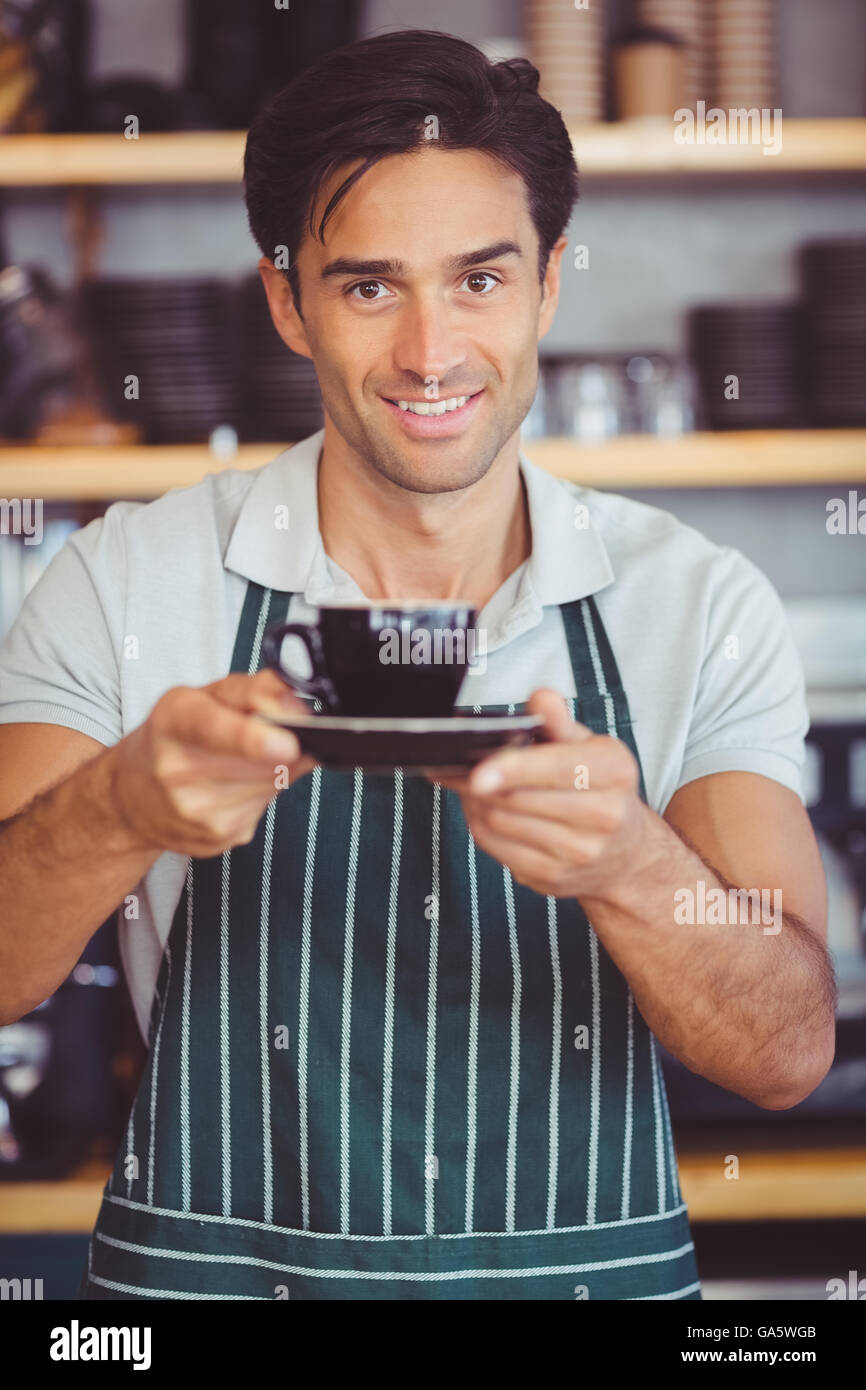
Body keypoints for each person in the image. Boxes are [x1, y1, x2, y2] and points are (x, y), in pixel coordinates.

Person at [0, 29, 835, 1301]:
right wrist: (119, 808)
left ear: (550, 283)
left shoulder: (692, 603)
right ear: (286, 300)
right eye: (370, 287)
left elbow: (784, 1051)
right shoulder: (125, 582)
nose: (431, 352)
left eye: (481, 282)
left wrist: (628, 862)